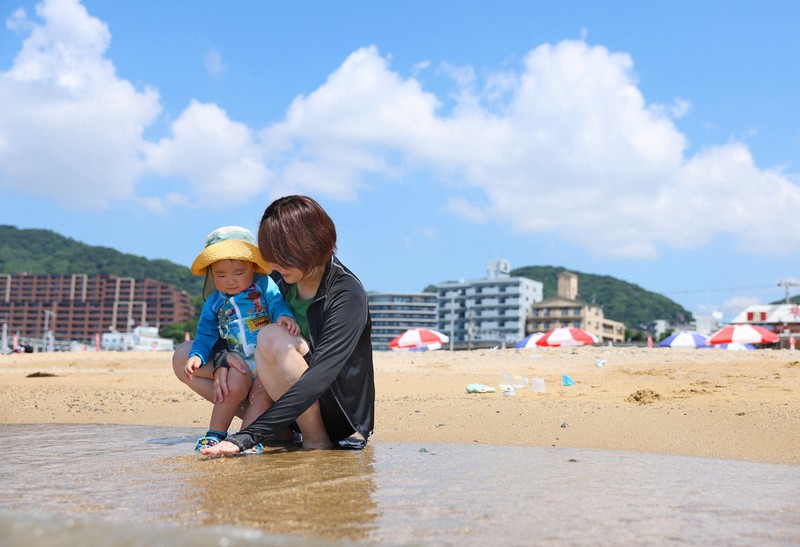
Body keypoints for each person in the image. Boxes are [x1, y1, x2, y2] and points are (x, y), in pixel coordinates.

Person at [185, 195, 375, 455]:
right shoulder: (279, 278)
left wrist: (248, 436)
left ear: (309, 246)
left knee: (272, 337)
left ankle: (314, 439)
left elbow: (321, 374)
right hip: (281, 400)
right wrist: (221, 359)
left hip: (334, 410)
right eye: (270, 256)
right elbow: (221, 320)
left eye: (281, 257)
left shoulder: (346, 294)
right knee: (183, 355)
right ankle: (279, 430)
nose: (272, 265)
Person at [183, 225, 301, 450]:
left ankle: (248, 438)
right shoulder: (214, 302)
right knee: (230, 388)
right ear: (211, 274)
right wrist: (198, 354)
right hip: (239, 360)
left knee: (262, 395)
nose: (230, 281)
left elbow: (277, 303)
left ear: (254, 268)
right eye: (221, 275)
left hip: (266, 360)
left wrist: (284, 316)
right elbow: (206, 333)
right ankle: (215, 434)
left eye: (239, 273)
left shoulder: (264, 285)